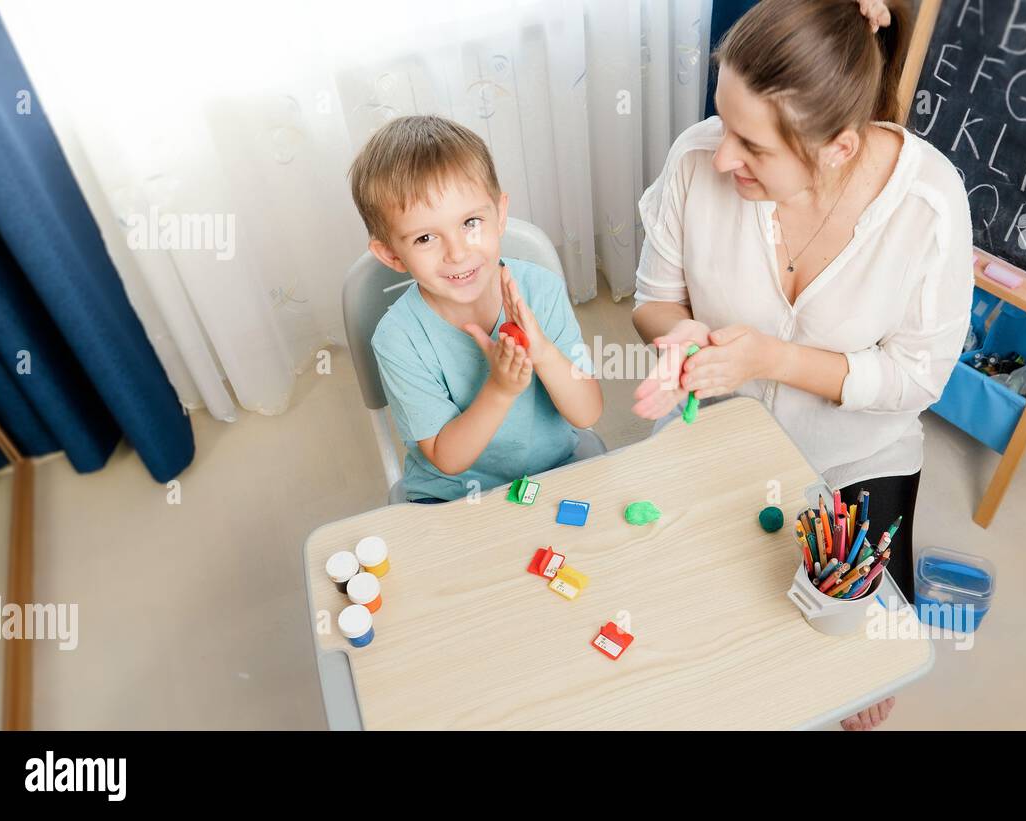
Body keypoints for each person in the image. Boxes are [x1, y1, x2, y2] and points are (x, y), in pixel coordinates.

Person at [630, 0, 972, 729]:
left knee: (851, 662)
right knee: (678, 633)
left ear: (839, 147)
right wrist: (684, 334)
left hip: (858, 458)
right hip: (715, 438)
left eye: (752, 147)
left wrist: (775, 359)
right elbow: (651, 303)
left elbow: (918, 378)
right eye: (723, 123)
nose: (722, 157)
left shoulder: (929, 206)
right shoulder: (696, 160)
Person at [350, 115, 602, 503]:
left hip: (553, 471)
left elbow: (587, 415)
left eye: (470, 222)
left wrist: (544, 353)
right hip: (452, 496)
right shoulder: (397, 338)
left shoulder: (540, 291)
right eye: (425, 237)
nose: (457, 251)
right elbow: (448, 460)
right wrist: (499, 390)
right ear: (392, 255)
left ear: (499, 216)